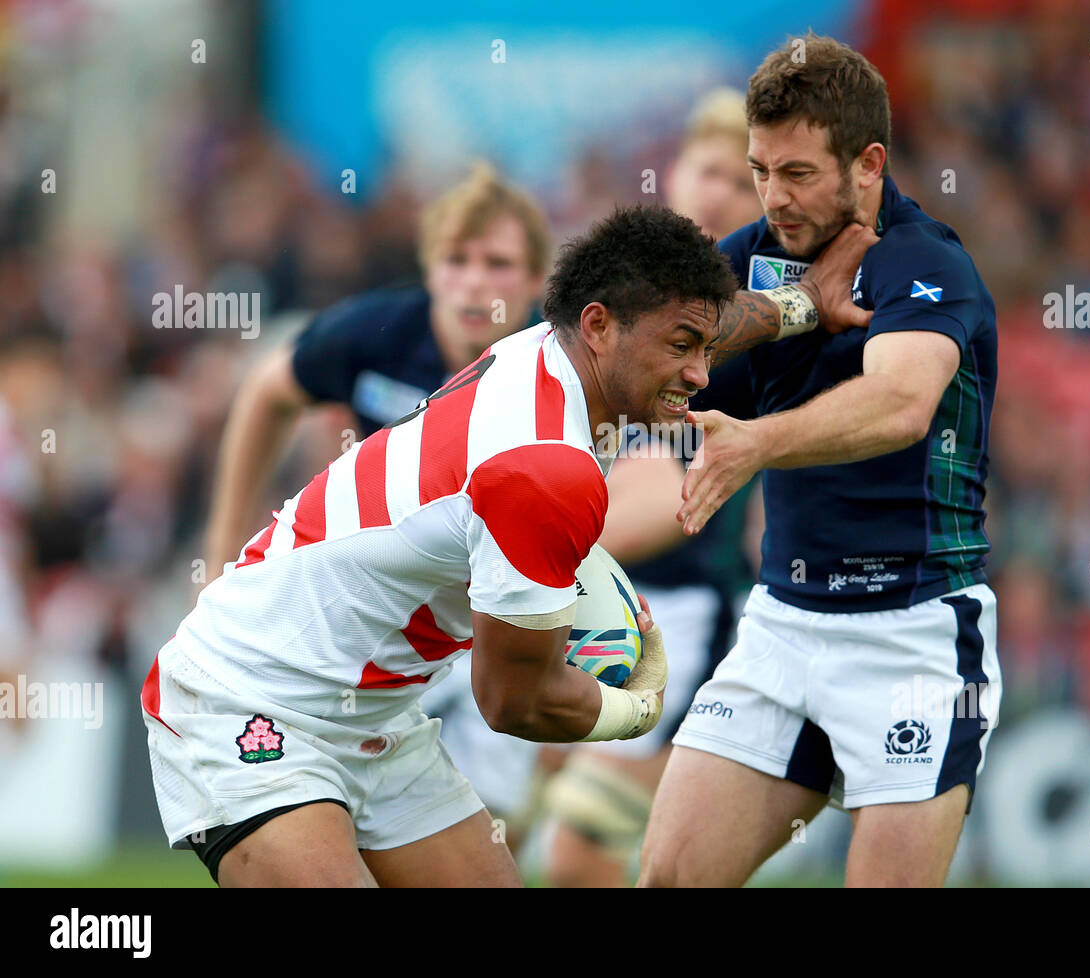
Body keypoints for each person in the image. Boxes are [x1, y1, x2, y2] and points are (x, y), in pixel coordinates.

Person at [141, 205, 750, 887]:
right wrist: (637, 706)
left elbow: (710, 322)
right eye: (682, 344)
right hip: (248, 692)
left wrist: (805, 302)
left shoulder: (546, 349)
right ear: (600, 325)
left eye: (706, 347)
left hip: (373, 715)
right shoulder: (546, 465)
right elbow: (512, 701)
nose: (699, 373)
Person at [637, 32, 1002, 888]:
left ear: (867, 164)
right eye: (761, 170)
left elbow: (900, 405)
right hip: (783, 625)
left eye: (797, 173)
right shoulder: (748, 256)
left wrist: (755, 443)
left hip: (915, 633)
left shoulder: (929, 263)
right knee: (666, 880)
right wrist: (795, 306)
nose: (773, 196)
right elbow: (644, 373)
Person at [200, 163, 555, 838]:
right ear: (429, 269)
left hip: (494, 625)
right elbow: (266, 392)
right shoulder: (375, 334)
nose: (475, 281)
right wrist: (220, 547)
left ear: (537, 281)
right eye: (457, 260)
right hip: (374, 623)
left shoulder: (556, 365)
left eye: (500, 264)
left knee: (482, 835)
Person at [542, 88, 765, 887]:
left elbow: (666, 491)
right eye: (707, 171)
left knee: (584, 849)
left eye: (743, 185)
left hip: (669, 609)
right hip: (578, 595)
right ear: (671, 179)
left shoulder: (734, 338)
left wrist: (524, 554)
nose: (718, 195)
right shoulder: (615, 312)